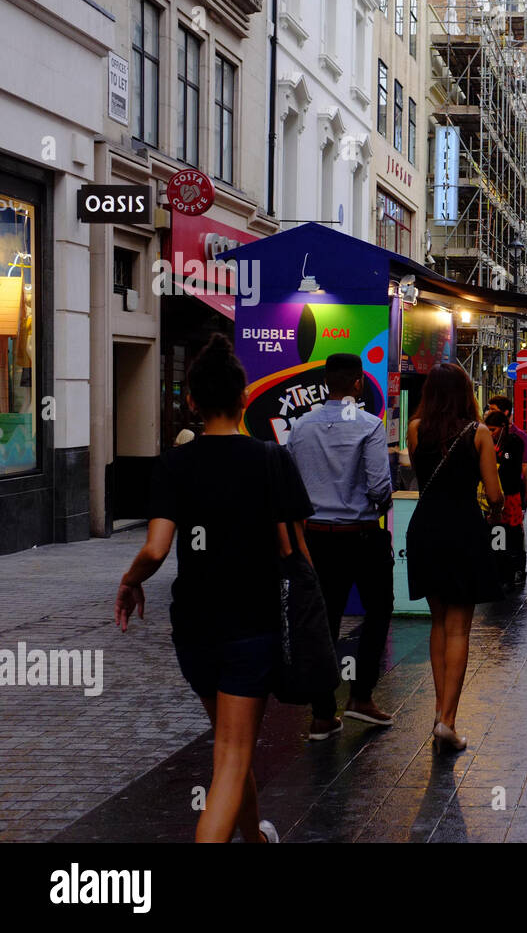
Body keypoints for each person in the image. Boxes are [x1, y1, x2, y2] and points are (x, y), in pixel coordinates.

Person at [114, 334, 314, 842]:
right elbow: (298, 552)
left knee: (230, 747)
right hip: (252, 627)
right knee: (231, 755)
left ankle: (255, 836)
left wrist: (130, 581)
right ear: (244, 396)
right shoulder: (270, 460)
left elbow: (156, 548)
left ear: (191, 400)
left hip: (196, 631)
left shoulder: (175, 464)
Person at [288, 353, 395, 740]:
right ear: (358, 383)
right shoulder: (369, 425)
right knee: (379, 610)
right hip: (363, 535)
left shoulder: (300, 429)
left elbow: (292, 488)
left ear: (325, 384)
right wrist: (377, 503)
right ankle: (361, 697)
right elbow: (380, 485)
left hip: (316, 536)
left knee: (324, 621)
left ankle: (322, 713)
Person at [407, 363, 505, 751]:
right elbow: (495, 495)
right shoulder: (478, 433)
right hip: (463, 527)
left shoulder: (415, 430)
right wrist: (494, 511)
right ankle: (448, 720)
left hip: (426, 526)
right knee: (459, 629)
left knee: (438, 621)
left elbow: (423, 473)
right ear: (466, 392)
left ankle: (438, 711)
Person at [484, 409, 527, 588]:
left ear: (503, 427)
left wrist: (498, 462)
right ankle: (500, 573)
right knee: (498, 536)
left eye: (493, 430)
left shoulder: (513, 442)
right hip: (495, 497)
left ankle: (515, 571)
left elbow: (511, 467)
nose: (490, 433)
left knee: (513, 534)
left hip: (510, 496)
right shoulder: (489, 445)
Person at [487, 395, 527, 510]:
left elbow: (525, 464)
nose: (489, 412)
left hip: (512, 489)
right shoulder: (487, 433)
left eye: (493, 409)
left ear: (506, 412)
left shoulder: (518, 436)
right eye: (489, 409)